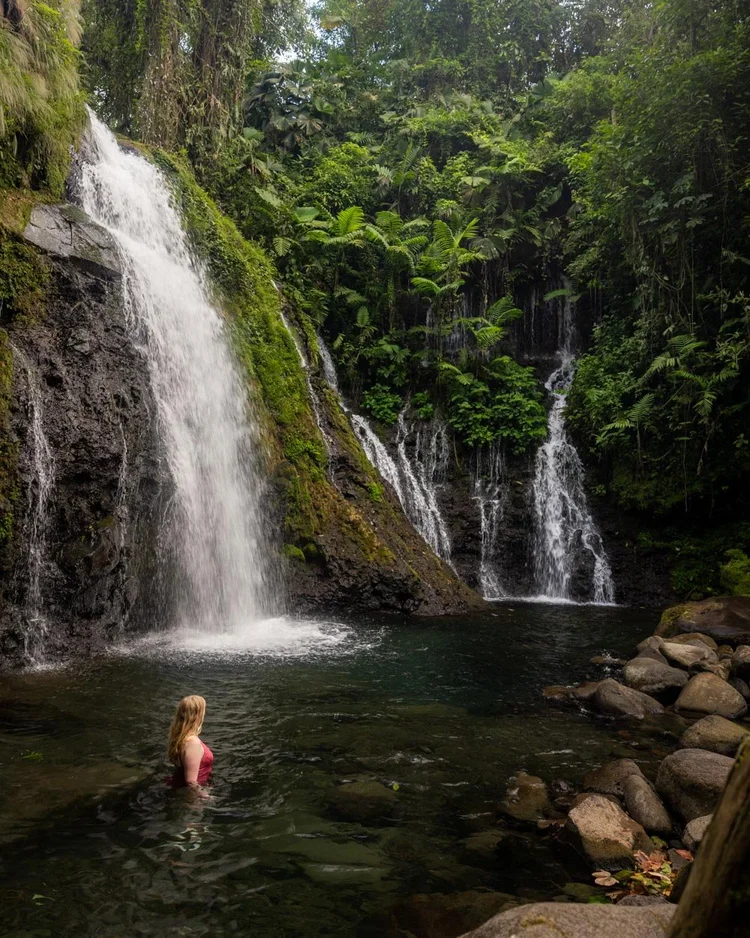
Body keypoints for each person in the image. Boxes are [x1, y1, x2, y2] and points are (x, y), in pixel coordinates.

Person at [167, 694, 214, 789]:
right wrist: (206, 797)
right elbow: (191, 782)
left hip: (178, 786)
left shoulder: (179, 737)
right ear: (197, 715)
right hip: (192, 797)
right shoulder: (193, 743)